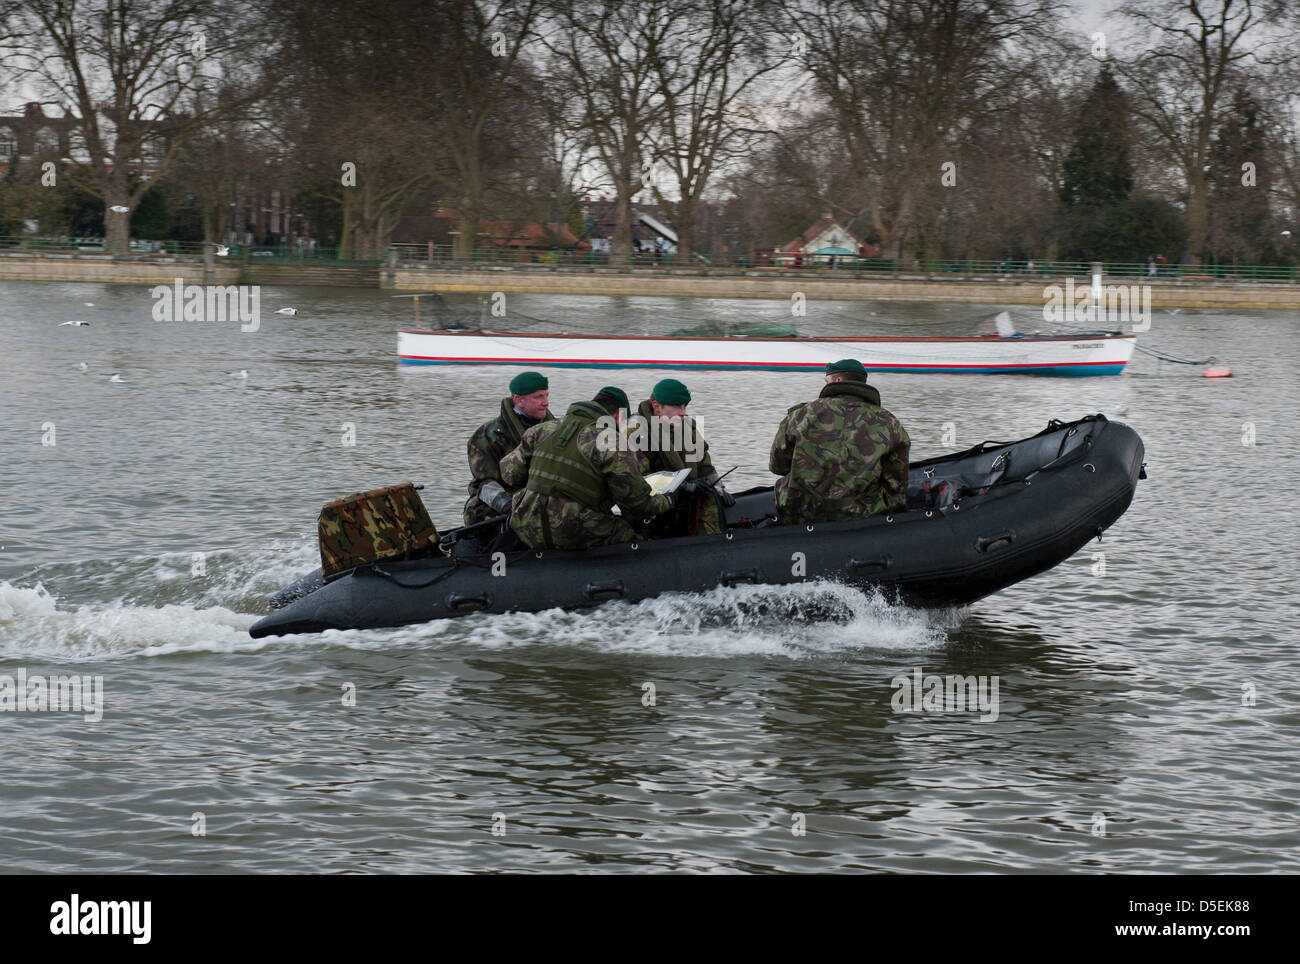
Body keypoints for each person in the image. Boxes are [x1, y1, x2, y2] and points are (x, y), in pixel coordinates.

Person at [500, 386, 673, 550]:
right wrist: (668, 500)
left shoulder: (540, 430)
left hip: (525, 524)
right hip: (572, 532)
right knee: (635, 538)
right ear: (617, 417)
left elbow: (509, 473)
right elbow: (637, 505)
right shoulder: (613, 442)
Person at [769, 359, 910, 525]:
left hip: (801, 513)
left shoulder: (800, 415)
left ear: (838, 380)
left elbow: (778, 467)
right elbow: (897, 483)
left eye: (826, 381)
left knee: (781, 484)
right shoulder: (889, 422)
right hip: (861, 516)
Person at [630, 378, 734, 534]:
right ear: (656, 406)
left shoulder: (688, 428)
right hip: (655, 504)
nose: (683, 412)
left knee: (711, 501)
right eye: (677, 406)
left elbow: (705, 465)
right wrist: (683, 487)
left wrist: (719, 488)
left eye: (685, 406)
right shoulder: (636, 432)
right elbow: (638, 479)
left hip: (687, 504)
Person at [463, 371, 555, 526]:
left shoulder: (557, 430)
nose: (546, 402)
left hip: (544, 500)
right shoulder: (487, 436)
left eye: (546, 395)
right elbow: (484, 484)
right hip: (502, 504)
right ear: (519, 400)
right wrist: (509, 507)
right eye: (538, 397)